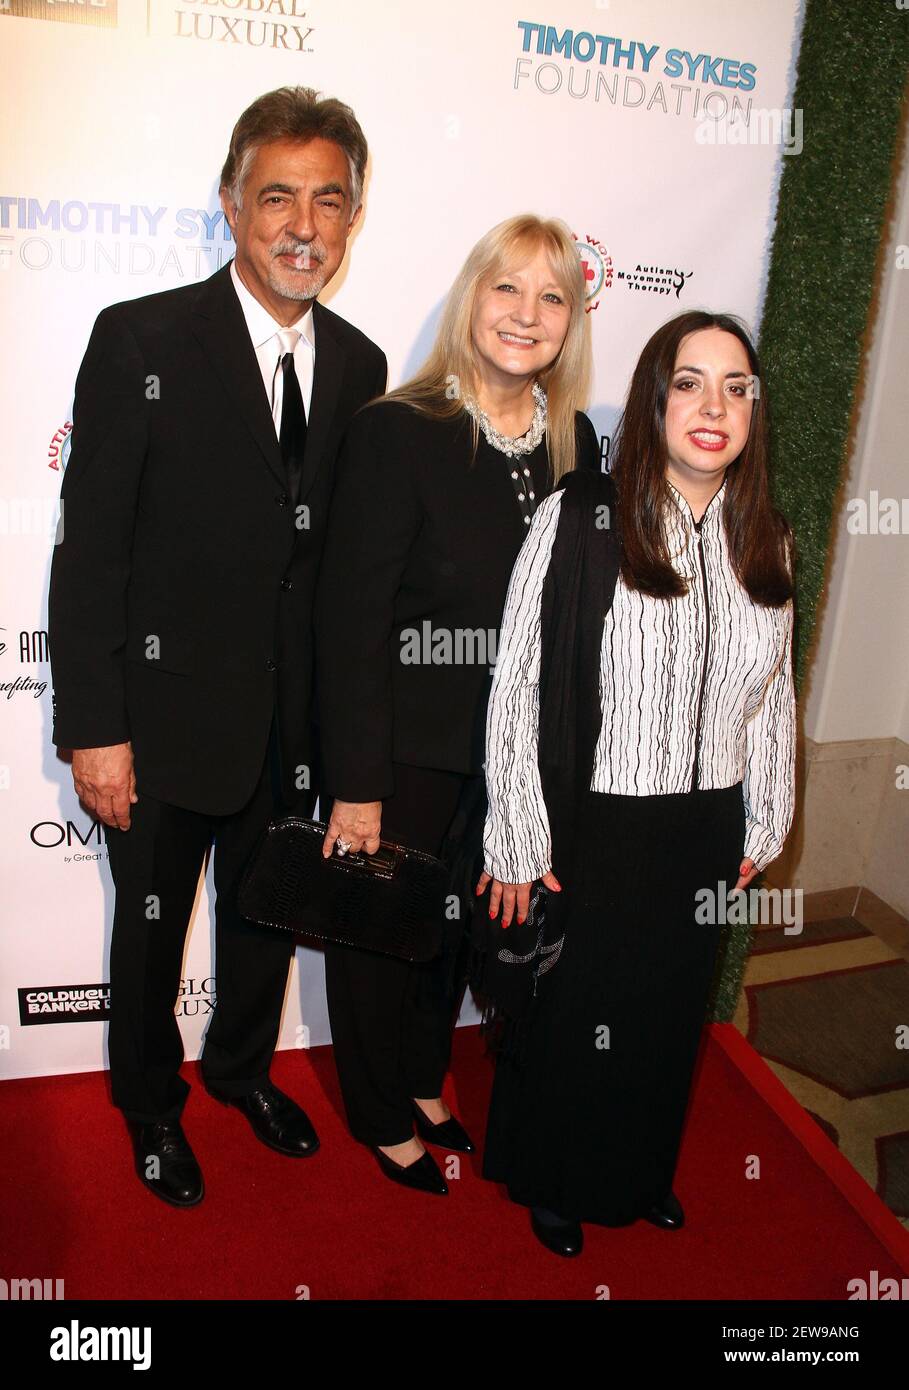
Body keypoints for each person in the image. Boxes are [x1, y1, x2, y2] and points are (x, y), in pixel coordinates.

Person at [47, 86, 387, 1207]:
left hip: (290, 728)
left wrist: (345, 749)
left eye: (327, 200)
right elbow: (90, 550)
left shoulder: (360, 367)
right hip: (161, 720)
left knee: (266, 922)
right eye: (278, 195)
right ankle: (150, 1105)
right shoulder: (141, 337)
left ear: (352, 216)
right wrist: (96, 728)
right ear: (233, 206)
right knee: (150, 938)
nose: (303, 223)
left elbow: (342, 577)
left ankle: (240, 1070)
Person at [477, 310, 797, 1255]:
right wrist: (520, 837)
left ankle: (635, 1168)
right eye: (690, 383)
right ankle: (554, 1177)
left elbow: (773, 696)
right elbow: (520, 682)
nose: (714, 406)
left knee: (664, 1019)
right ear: (655, 400)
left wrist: (762, 821)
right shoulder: (584, 517)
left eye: (735, 388)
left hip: (707, 825)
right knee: (581, 1013)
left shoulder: (766, 537)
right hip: (603, 818)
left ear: (752, 414)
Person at [313, 214, 601, 1195]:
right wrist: (355, 782)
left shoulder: (575, 441)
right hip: (405, 747)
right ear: (473, 297)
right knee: (382, 934)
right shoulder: (401, 428)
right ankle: (379, 1109)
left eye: (551, 295)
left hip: (510, 753)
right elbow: (350, 619)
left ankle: (427, 1076)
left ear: (572, 322)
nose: (526, 313)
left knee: (455, 929)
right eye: (507, 288)